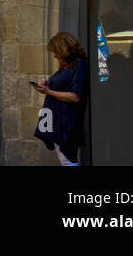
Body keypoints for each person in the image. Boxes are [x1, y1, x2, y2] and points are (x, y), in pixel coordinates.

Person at [32, 31, 87, 166]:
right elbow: (61, 85)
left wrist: (49, 91)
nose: (55, 56)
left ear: (64, 50)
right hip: (56, 117)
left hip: (67, 120)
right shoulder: (65, 66)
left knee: (67, 160)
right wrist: (48, 84)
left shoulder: (80, 66)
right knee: (64, 160)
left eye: (56, 52)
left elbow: (75, 96)